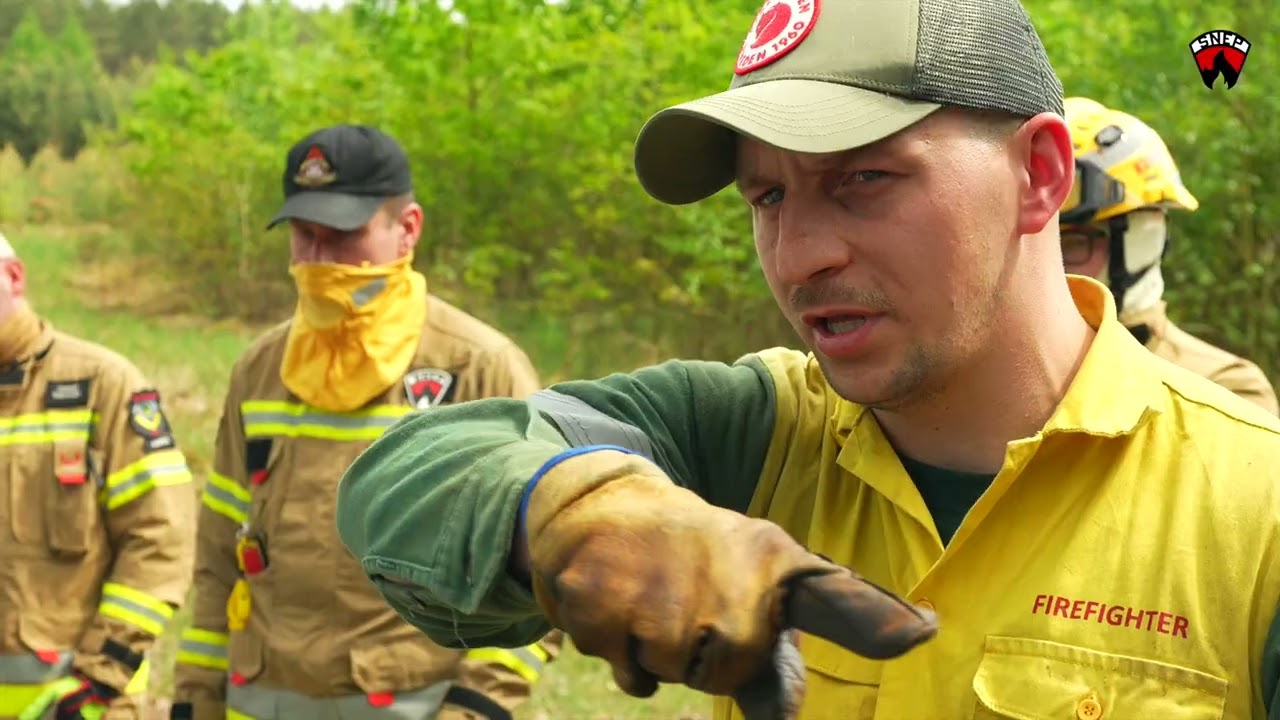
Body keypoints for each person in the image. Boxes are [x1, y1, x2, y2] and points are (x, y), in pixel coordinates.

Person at [334, 1, 1280, 718]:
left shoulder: (1253, 512)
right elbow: (412, 474)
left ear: (1038, 175)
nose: (798, 257)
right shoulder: (750, 437)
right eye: (767, 199)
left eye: (862, 178)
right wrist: (572, 513)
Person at [169, 125, 562, 720]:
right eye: (305, 236)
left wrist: (478, 705)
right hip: (261, 697)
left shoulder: (478, 367)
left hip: (411, 701)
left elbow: (549, 558)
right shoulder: (259, 368)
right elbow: (219, 551)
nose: (320, 260)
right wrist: (196, 694)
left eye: (344, 235)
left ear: (408, 230)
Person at [0, 231, 197, 720]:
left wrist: (97, 681)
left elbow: (160, 541)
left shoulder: (103, 385)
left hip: (80, 703)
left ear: (14, 277)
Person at [1059, 95, 1278, 414]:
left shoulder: (1225, 390)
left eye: (1072, 245)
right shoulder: (1000, 382)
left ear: (1140, 242)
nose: (1049, 270)